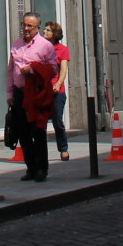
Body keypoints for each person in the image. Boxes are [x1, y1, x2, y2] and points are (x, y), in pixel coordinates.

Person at [8, 11, 57, 181]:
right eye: (24, 25)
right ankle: (31, 168)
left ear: (38, 27)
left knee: (38, 130)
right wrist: (9, 93)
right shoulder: (16, 45)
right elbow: (10, 71)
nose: (26, 28)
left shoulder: (45, 46)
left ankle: (42, 168)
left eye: (30, 25)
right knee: (23, 132)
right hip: (19, 92)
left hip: (36, 93)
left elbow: (53, 69)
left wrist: (33, 69)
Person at [43, 20, 72, 161]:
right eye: (44, 29)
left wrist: (59, 83)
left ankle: (63, 149)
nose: (44, 32)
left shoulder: (62, 50)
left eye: (48, 30)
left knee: (57, 122)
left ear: (55, 34)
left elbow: (63, 69)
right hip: (43, 91)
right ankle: (41, 153)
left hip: (57, 92)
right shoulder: (41, 48)